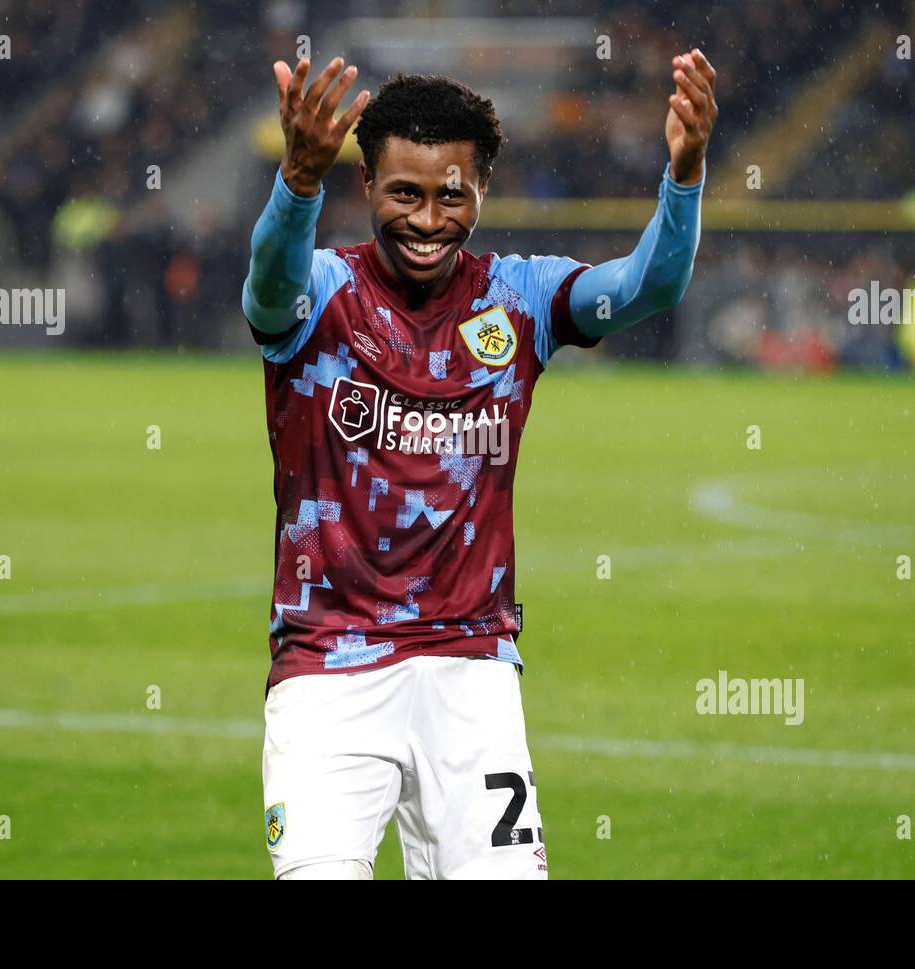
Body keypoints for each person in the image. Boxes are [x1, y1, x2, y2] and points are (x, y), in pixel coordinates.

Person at [241, 51, 716, 879]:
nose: (428, 219)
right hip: (328, 671)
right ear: (367, 188)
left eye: (450, 194)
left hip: (472, 672)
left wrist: (685, 174)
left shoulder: (519, 298)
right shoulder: (319, 294)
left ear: (481, 191)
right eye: (405, 193)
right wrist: (296, 183)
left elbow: (651, 286)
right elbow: (267, 287)